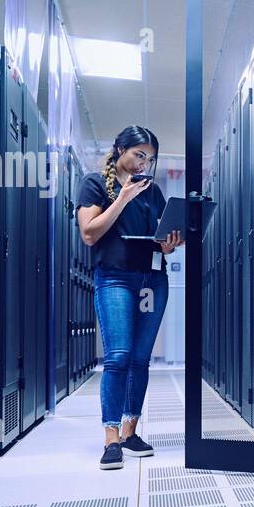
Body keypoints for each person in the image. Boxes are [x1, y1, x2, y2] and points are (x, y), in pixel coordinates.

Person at [75, 125, 182, 470]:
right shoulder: (95, 183)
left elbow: (164, 235)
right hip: (115, 277)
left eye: (149, 159)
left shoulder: (153, 192)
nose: (143, 164)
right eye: (139, 155)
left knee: (140, 358)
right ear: (120, 148)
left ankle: (130, 431)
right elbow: (90, 234)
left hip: (152, 277)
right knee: (118, 356)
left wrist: (171, 243)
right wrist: (122, 198)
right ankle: (110, 440)